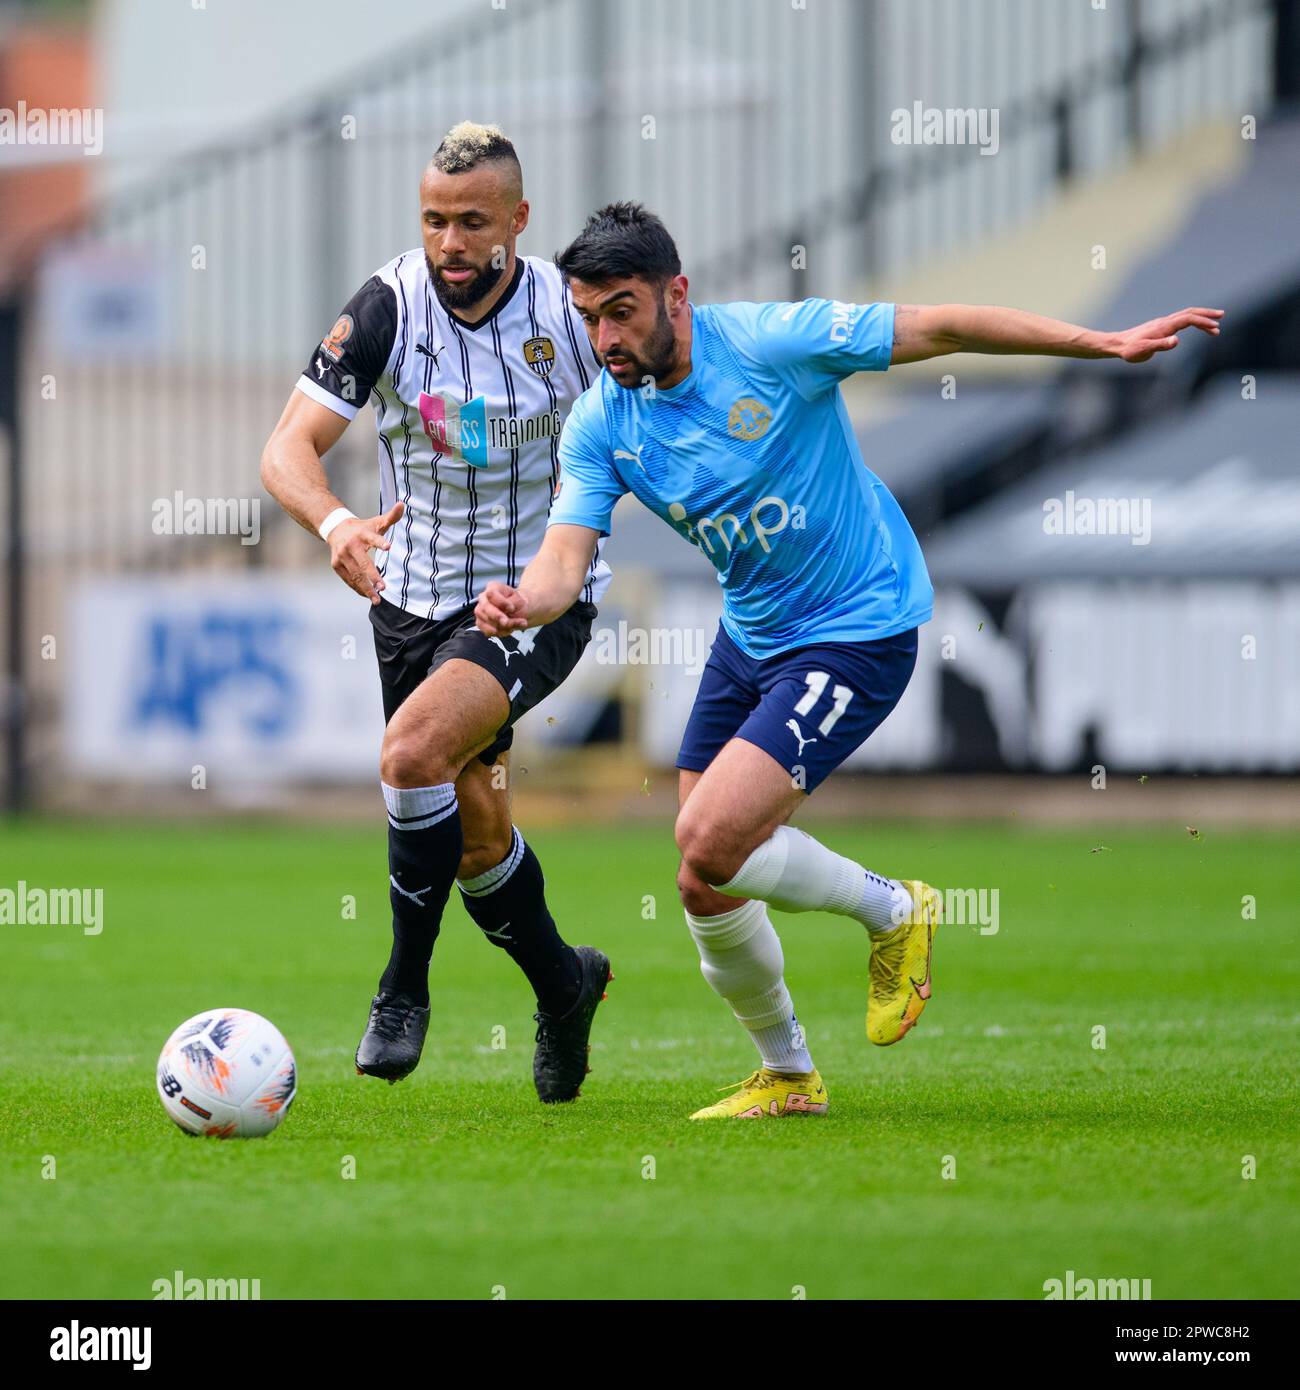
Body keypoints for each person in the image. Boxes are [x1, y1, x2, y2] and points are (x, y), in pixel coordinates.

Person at [474, 200, 1224, 1119]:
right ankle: (788, 1075)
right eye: (589, 317)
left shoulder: (774, 343)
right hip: (751, 634)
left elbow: (940, 326)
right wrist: (526, 600)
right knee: (702, 876)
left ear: (678, 293)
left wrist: (1100, 343)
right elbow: (565, 556)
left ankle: (893, 910)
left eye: (621, 310)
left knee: (707, 838)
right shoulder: (601, 421)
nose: (605, 337)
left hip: (855, 626)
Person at [260, 124, 616, 1103]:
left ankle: (401, 989)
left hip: (529, 600)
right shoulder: (386, 307)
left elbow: (653, 416)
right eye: (432, 219)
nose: (449, 241)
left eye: (470, 222)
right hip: (407, 599)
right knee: (472, 833)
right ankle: (564, 982)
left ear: (518, 221)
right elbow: (286, 449)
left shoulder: (568, 311)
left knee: (412, 756)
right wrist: (334, 522)